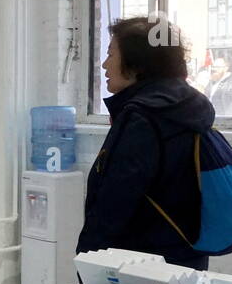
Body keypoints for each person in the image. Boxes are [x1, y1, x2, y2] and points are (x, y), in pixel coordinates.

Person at [77, 16, 216, 270]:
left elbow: (115, 203)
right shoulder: (187, 106)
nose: (105, 64)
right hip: (186, 258)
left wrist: (88, 262)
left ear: (137, 62)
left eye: (111, 53)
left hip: (138, 267)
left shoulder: (142, 118)